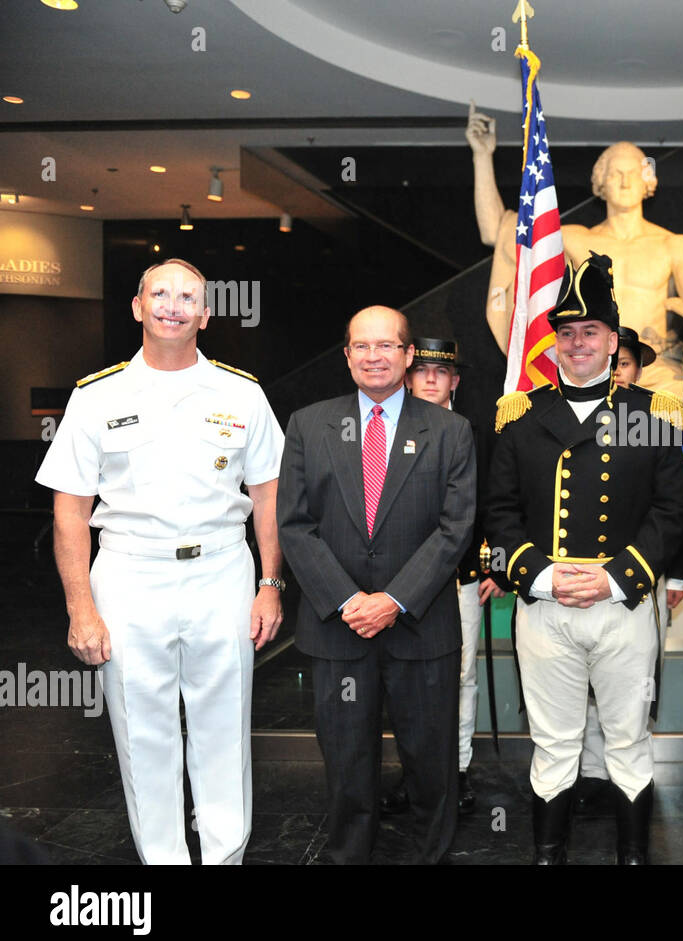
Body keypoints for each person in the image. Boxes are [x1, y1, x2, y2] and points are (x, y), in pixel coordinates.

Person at [36, 258, 285, 864]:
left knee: (224, 729)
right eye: (160, 293)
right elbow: (70, 510)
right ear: (137, 305)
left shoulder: (242, 392)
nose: (173, 305)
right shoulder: (96, 396)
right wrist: (80, 609)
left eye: (187, 296)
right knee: (141, 731)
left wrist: (270, 583)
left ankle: (225, 857)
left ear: (205, 313)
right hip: (128, 576)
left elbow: (268, 495)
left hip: (222, 570)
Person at [485, 253, 683, 864]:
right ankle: (549, 855)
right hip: (544, 607)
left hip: (622, 607)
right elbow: (496, 515)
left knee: (627, 740)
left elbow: (671, 512)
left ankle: (632, 855)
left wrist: (615, 577)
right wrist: (540, 575)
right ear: (554, 343)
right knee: (553, 743)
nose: (578, 343)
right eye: (567, 333)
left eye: (591, 332)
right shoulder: (519, 418)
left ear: (613, 340)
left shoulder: (649, 414)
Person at [277, 307, 475, 864]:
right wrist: (348, 601)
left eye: (387, 346)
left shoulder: (450, 431)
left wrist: (393, 599)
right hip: (337, 630)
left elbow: (454, 527)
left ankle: (430, 856)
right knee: (346, 765)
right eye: (361, 346)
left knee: (431, 765)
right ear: (346, 356)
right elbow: (294, 524)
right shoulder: (308, 424)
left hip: (421, 627)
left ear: (409, 356)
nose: (374, 356)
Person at [468, 106, 683, 395]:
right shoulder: (575, 239)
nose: (625, 182)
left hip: (654, 369)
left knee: (674, 422)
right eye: (615, 174)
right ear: (600, 181)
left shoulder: (673, 245)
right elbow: (496, 231)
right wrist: (482, 156)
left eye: (633, 173)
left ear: (647, 181)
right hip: (589, 368)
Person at [380, 338, 504, 818]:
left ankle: (455, 772)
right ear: (408, 375)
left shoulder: (479, 431)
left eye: (441, 372)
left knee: (460, 676)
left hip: (459, 576)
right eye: (422, 370)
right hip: (396, 584)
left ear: (456, 381)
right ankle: (415, 775)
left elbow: (498, 498)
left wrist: (496, 563)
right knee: (403, 679)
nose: (431, 379)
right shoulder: (384, 427)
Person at [573, 327, 683, 814]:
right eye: (612, 360)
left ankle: (627, 777)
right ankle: (589, 772)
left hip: (642, 575)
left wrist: (678, 574)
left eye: (625, 363)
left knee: (631, 685)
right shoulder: (570, 412)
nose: (617, 370)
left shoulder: (656, 414)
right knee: (579, 686)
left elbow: (675, 502)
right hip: (578, 581)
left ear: (638, 368)